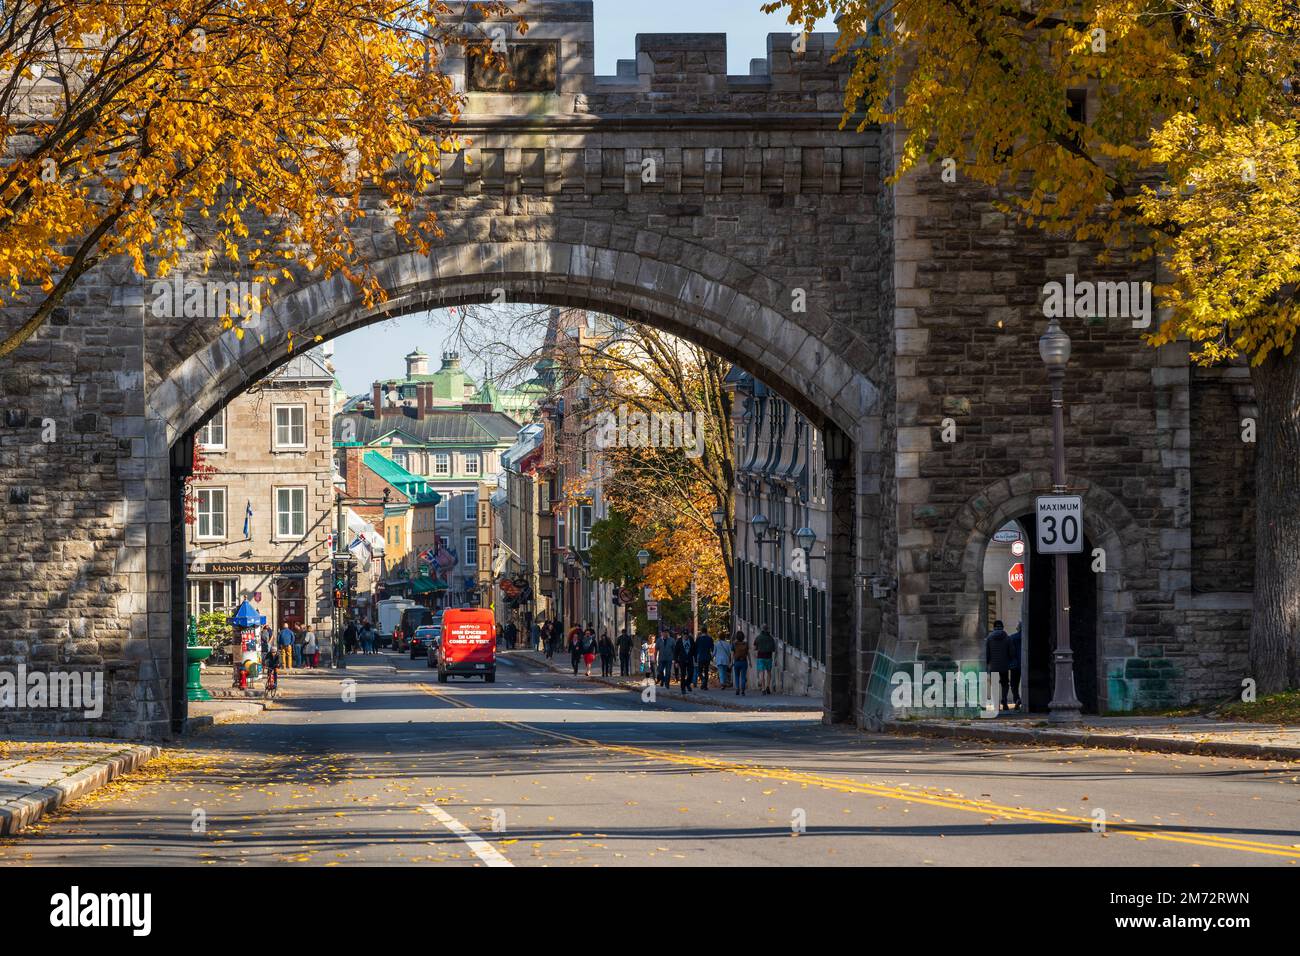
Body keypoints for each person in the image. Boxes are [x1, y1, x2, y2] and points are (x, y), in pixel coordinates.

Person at [985, 619, 1012, 711]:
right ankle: (1004, 700)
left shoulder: (989, 638)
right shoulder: (1007, 638)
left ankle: (996, 704)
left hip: (994, 666)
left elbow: (987, 653)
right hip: (1004, 665)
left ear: (994, 627)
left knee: (995, 685)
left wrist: (987, 663)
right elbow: (1011, 652)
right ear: (1002, 627)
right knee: (1005, 684)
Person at [753, 624, 776, 695]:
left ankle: (763, 688)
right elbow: (773, 649)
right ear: (768, 629)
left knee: (762, 673)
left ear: (762, 629)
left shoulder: (758, 637)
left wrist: (757, 650)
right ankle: (768, 686)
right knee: (769, 672)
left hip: (760, 657)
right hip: (768, 656)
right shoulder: (771, 638)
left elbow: (754, 647)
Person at [1007, 625, 1023, 710]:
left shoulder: (1012, 638)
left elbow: (1009, 652)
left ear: (1018, 628)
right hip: (1024, 664)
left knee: (1014, 684)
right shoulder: (1027, 638)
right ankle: (1022, 699)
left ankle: (1017, 699)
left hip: (1015, 665)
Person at [673, 629, 693, 694]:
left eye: (687, 635)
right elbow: (676, 652)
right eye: (684, 635)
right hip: (682, 660)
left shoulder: (691, 640)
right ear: (682, 635)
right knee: (683, 674)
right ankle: (683, 688)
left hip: (689, 659)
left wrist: (695, 657)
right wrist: (676, 661)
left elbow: (694, 649)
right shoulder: (679, 641)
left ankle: (687, 683)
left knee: (691, 673)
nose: (685, 636)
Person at [732, 630, 750, 696]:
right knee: (743, 676)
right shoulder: (745, 644)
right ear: (743, 637)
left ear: (736, 637)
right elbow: (748, 653)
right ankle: (742, 690)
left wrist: (731, 662)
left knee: (736, 676)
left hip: (736, 662)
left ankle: (737, 688)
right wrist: (750, 662)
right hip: (744, 662)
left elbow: (732, 653)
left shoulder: (734, 644)